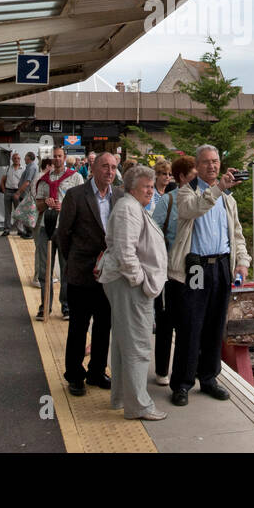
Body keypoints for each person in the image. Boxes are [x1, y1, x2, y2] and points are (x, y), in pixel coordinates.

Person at [168, 145, 250, 407]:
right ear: (197, 165)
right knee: (190, 324)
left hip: (221, 266)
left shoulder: (228, 199)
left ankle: (209, 377)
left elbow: (236, 234)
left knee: (215, 326)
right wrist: (218, 188)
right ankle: (182, 383)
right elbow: (193, 209)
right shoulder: (185, 192)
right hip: (195, 267)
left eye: (215, 161)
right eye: (206, 163)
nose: (212, 167)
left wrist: (243, 262)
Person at [98, 164, 168, 421]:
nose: (151, 190)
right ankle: (139, 405)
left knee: (121, 343)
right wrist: (141, 281)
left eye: (152, 185)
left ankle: (120, 397)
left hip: (123, 283)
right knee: (138, 345)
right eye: (146, 186)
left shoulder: (130, 207)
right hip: (130, 286)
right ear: (132, 188)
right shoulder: (129, 209)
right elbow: (127, 253)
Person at [55, 152, 120, 396]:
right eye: (105, 166)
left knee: (104, 326)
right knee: (79, 326)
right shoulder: (76, 195)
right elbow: (63, 234)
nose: (110, 172)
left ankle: (96, 371)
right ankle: (74, 374)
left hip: (109, 276)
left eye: (114, 167)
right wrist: (74, 261)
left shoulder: (120, 197)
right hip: (81, 273)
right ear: (93, 168)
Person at [151, 157, 192, 386]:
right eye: (193, 175)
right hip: (168, 271)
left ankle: (185, 370)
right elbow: (154, 234)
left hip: (193, 272)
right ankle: (161, 369)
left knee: (188, 322)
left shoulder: (201, 200)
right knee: (166, 321)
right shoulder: (167, 202)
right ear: (183, 177)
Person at [34, 147, 83, 319]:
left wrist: (66, 207)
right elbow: (38, 206)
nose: (57, 159)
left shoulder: (76, 178)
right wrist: (46, 203)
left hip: (65, 228)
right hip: (45, 228)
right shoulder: (43, 180)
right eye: (54, 156)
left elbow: (81, 204)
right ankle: (45, 306)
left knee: (66, 269)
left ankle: (67, 305)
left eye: (60, 156)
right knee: (44, 269)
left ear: (65, 157)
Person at [1, 152, 25, 237]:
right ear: (12, 159)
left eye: (18, 158)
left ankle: (20, 230)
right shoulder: (8, 168)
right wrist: (4, 190)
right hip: (8, 191)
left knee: (19, 212)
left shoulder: (23, 169)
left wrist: (20, 192)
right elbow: (3, 179)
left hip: (17, 192)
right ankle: (6, 229)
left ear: (20, 159)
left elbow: (25, 182)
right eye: (14, 158)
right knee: (7, 212)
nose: (16, 160)